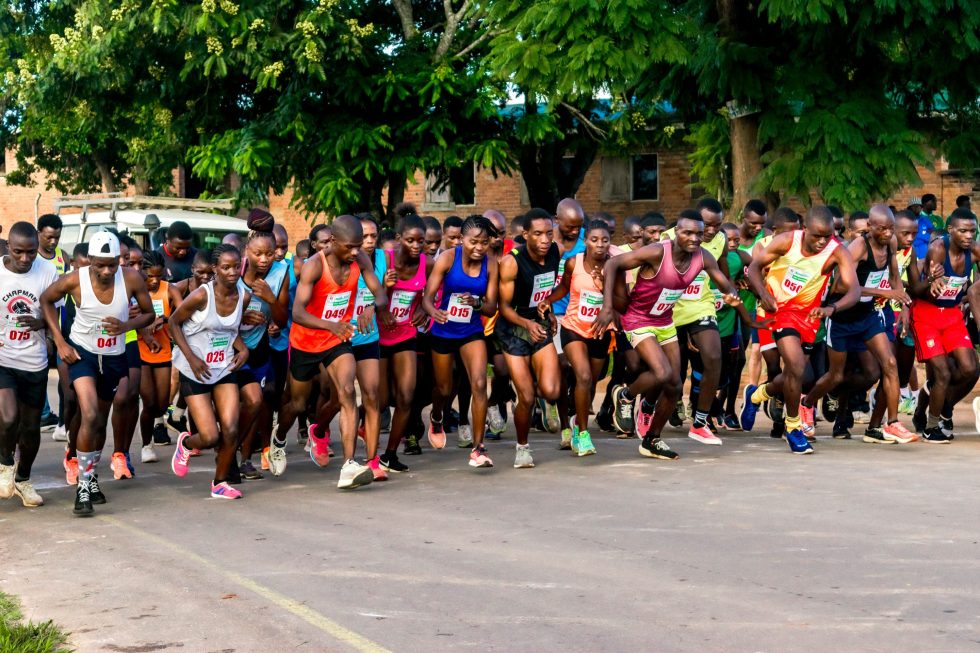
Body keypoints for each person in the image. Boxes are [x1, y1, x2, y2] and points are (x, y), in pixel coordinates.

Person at [598, 213, 741, 460]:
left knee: (674, 384)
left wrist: (730, 293)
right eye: (687, 233)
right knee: (663, 374)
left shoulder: (703, 256)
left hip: (664, 321)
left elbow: (722, 281)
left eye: (698, 233)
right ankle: (626, 395)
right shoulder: (657, 252)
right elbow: (612, 264)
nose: (694, 238)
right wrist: (608, 307)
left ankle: (652, 440)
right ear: (676, 233)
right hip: (639, 320)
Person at [41, 231, 155, 516]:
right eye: (99, 264)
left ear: (119, 261)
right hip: (83, 354)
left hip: (114, 357)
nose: (106, 271)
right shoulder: (74, 280)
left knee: (99, 419)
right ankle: (82, 486)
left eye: (112, 265)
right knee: (89, 413)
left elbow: (149, 314)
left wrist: (127, 326)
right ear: (89, 260)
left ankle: (90, 478)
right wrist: (61, 341)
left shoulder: (131, 278)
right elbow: (46, 301)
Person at [275, 215, 387, 489]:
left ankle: (349, 465)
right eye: (349, 247)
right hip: (306, 342)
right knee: (298, 404)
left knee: (347, 392)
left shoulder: (360, 259)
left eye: (358, 246)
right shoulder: (314, 266)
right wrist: (330, 325)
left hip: (337, 341)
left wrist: (371, 306)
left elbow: (381, 294)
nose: (355, 252)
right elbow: (298, 313)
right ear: (333, 242)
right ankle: (278, 439)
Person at [742, 206, 861, 455]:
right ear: (804, 229)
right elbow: (753, 268)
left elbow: (854, 291)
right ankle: (793, 427)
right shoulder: (786, 241)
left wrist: (832, 308)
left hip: (809, 316)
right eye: (816, 235)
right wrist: (763, 294)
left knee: (799, 377)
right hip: (779, 310)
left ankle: (756, 395)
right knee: (795, 367)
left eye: (826, 236)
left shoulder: (837, 251)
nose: (821, 241)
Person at [798, 205, 917, 444]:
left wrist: (903, 303)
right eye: (882, 229)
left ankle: (892, 423)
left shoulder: (891, 243)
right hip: (841, 315)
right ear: (870, 227)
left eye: (891, 229)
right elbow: (843, 286)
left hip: (866, 314)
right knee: (836, 375)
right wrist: (883, 291)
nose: (887, 233)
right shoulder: (858, 248)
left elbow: (894, 277)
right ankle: (806, 403)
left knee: (889, 364)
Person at [169, 245, 250, 498]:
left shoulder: (243, 296)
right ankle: (185, 443)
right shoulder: (202, 296)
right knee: (209, 436)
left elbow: (228, 329)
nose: (233, 272)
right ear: (215, 269)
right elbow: (173, 323)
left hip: (223, 367)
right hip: (195, 370)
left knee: (231, 428)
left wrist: (243, 350)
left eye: (237, 266)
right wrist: (191, 358)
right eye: (226, 267)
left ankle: (220, 482)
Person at [423, 215, 499, 468]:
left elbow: (491, 306)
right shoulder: (447, 258)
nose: (479, 247)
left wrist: (476, 303)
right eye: (473, 242)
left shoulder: (491, 264)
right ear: (462, 240)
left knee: (479, 384)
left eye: (484, 242)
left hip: (471, 330)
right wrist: (434, 312)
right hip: (443, 329)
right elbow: (428, 297)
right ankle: (436, 416)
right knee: (444, 389)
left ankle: (478, 449)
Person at [538, 220, 615, 456]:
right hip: (573, 327)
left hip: (600, 332)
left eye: (605, 240)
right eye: (594, 240)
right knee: (581, 375)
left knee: (589, 381)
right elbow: (563, 287)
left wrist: (603, 286)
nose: (600, 245)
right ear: (586, 241)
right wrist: (548, 300)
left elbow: (622, 301)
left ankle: (575, 415)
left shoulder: (614, 266)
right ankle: (582, 434)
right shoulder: (574, 262)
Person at [496, 208, 564, 468]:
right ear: (525, 235)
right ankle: (523, 448)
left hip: (539, 322)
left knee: (552, 390)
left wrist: (550, 307)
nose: (545, 239)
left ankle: (538, 399)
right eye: (538, 234)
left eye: (549, 233)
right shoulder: (512, 262)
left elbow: (547, 288)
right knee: (525, 397)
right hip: (514, 327)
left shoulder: (555, 251)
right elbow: (504, 307)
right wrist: (527, 323)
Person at [0, 222, 60, 508]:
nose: (25, 259)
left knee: (30, 428)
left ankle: (23, 480)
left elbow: (53, 312)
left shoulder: (48, 271)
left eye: (31, 253)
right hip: (3, 359)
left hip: (34, 360)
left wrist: (44, 327)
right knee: (8, 417)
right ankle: (4, 465)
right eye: (19, 252)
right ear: (8, 247)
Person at [913, 208, 980, 442]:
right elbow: (931, 280)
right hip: (927, 314)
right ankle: (931, 427)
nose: (968, 236)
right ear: (950, 230)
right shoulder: (938, 248)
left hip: (952, 315)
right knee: (942, 372)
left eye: (973, 231)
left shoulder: (974, 250)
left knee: (971, 369)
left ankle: (945, 406)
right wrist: (935, 279)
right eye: (963, 231)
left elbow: (974, 288)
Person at [235, 215, 290, 479]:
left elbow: (281, 318)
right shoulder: (233, 270)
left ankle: (246, 459)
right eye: (259, 254)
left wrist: (270, 298)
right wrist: (241, 315)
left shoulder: (281, 272)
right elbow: (216, 312)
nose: (265, 259)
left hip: (259, 345)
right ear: (248, 252)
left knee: (258, 400)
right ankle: (227, 452)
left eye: (270, 253)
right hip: (230, 347)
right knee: (234, 405)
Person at [377, 214, 431, 472]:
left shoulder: (426, 263)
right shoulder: (383, 260)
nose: (417, 245)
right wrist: (381, 304)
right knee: (380, 399)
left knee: (406, 397)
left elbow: (433, 293)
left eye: (421, 241)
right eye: (411, 240)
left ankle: (390, 454)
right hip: (378, 336)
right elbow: (367, 291)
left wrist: (424, 307)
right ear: (399, 239)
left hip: (405, 334)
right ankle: (369, 450)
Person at [136, 251, 173, 464]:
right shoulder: (135, 290)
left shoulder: (169, 290)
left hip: (163, 351)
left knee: (161, 404)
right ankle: (146, 445)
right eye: (150, 276)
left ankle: (160, 419)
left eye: (158, 276)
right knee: (149, 401)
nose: (154, 281)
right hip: (141, 351)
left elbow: (180, 312)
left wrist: (164, 319)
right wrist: (146, 329)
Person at [36, 213, 66, 432]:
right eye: (48, 237)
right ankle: (43, 413)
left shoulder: (63, 256)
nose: (53, 241)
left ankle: (62, 421)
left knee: (65, 370)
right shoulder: (31, 258)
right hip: (38, 322)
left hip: (62, 322)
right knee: (39, 370)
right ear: (39, 234)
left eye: (57, 236)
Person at [912, 193, 942, 259]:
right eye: (933, 201)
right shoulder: (913, 219)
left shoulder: (937, 219)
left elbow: (939, 234)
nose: (936, 203)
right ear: (926, 203)